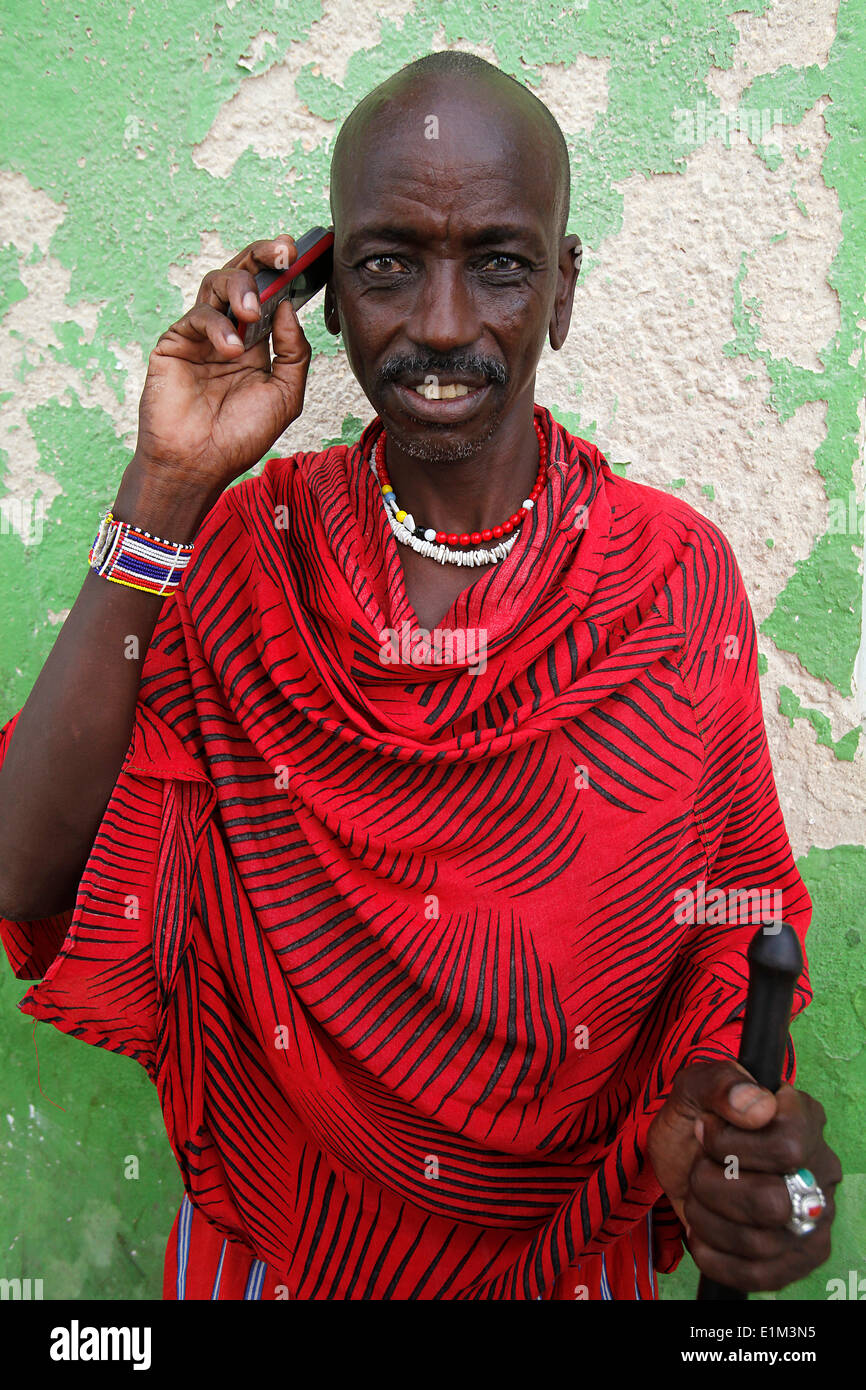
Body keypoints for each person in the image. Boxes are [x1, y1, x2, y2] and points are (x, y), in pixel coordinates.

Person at [0, 50, 840, 1301]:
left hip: (568, 1268)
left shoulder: (668, 576)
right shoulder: (245, 557)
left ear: (560, 289)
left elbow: (728, 938)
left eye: (499, 262)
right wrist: (168, 483)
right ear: (325, 294)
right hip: (270, 1266)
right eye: (389, 263)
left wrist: (725, 1139)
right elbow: (22, 869)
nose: (443, 323)